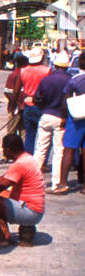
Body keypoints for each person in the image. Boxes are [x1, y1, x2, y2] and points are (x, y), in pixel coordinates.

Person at [0, 134, 45, 247]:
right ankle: (14, 233)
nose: (3, 152)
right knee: (1, 194)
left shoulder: (19, 165)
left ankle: (1, 237)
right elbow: (4, 179)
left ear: (8, 150)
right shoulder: (27, 158)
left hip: (30, 212)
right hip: (36, 209)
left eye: (3, 148)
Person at [33, 50, 72, 192]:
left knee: (40, 150)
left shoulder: (46, 79)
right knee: (58, 151)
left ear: (55, 65)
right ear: (67, 66)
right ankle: (56, 183)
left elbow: (37, 98)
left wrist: (44, 108)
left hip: (46, 115)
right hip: (61, 118)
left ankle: (33, 182)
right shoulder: (70, 79)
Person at [56, 50, 85, 193]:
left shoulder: (75, 80)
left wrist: (63, 117)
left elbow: (65, 101)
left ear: (80, 63)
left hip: (76, 118)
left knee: (69, 149)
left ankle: (63, 183)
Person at [19, 47, 51, 153]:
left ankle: (29, 157)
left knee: (30, 134)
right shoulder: (46, 70)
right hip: (41, 105)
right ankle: (42, 162)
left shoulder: (23, 71)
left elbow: (19, 89)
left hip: (28, 103)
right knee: (44, 137)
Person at [3, 51, 28, 137]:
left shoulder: (27, 75)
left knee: (23, 134)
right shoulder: (14, 75)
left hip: (25, 110)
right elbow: (7, 92)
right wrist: (17, 104)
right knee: (11, 134)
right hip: (14, 110)